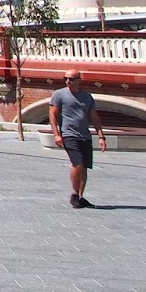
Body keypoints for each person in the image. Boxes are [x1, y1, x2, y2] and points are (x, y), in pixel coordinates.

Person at [49, 69, 107, 208]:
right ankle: (74, 194)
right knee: (78, 163)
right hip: (69, 135)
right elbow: (52, 114)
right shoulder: (59, 95)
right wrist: (56, 134)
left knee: (85, 167)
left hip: (85, 135)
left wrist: (101, 136)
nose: (68, 81)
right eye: (66, 78)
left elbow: (94, 117)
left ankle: (81, 196)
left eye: (71, 79)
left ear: (79, 80)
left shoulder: (87, 97)